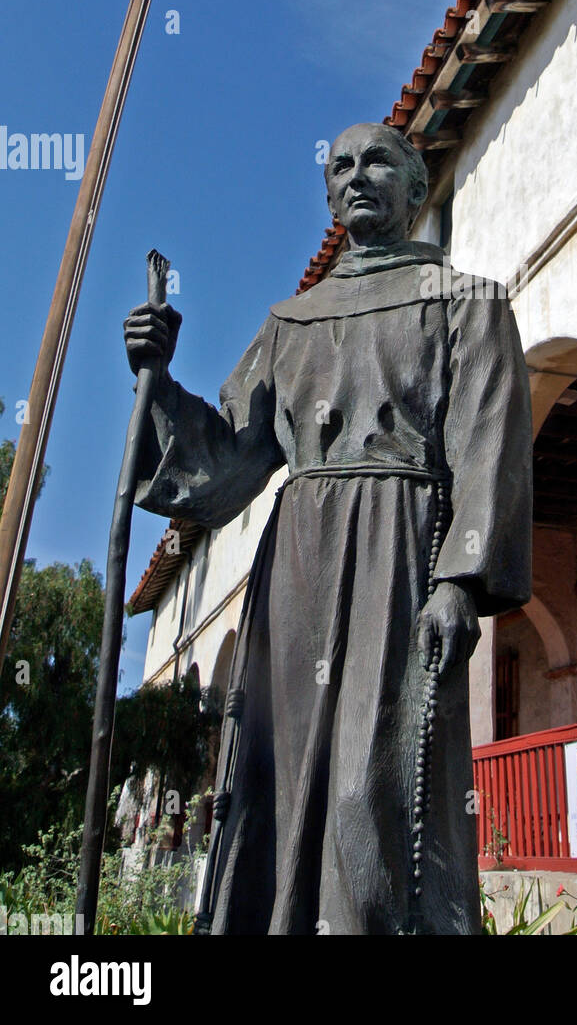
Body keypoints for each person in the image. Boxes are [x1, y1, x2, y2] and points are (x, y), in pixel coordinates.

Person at [124, 122, 532, 935]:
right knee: (274, 773)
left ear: (417, 188)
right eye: (340, 166)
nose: (357, 176)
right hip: (299, 561)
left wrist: (458, 579)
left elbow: (490, 442)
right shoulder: (291, 323)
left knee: (372, 785)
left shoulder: (469, 305)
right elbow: (228, 461)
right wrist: (158, 383)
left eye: (379, 161)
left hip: (403, 548)